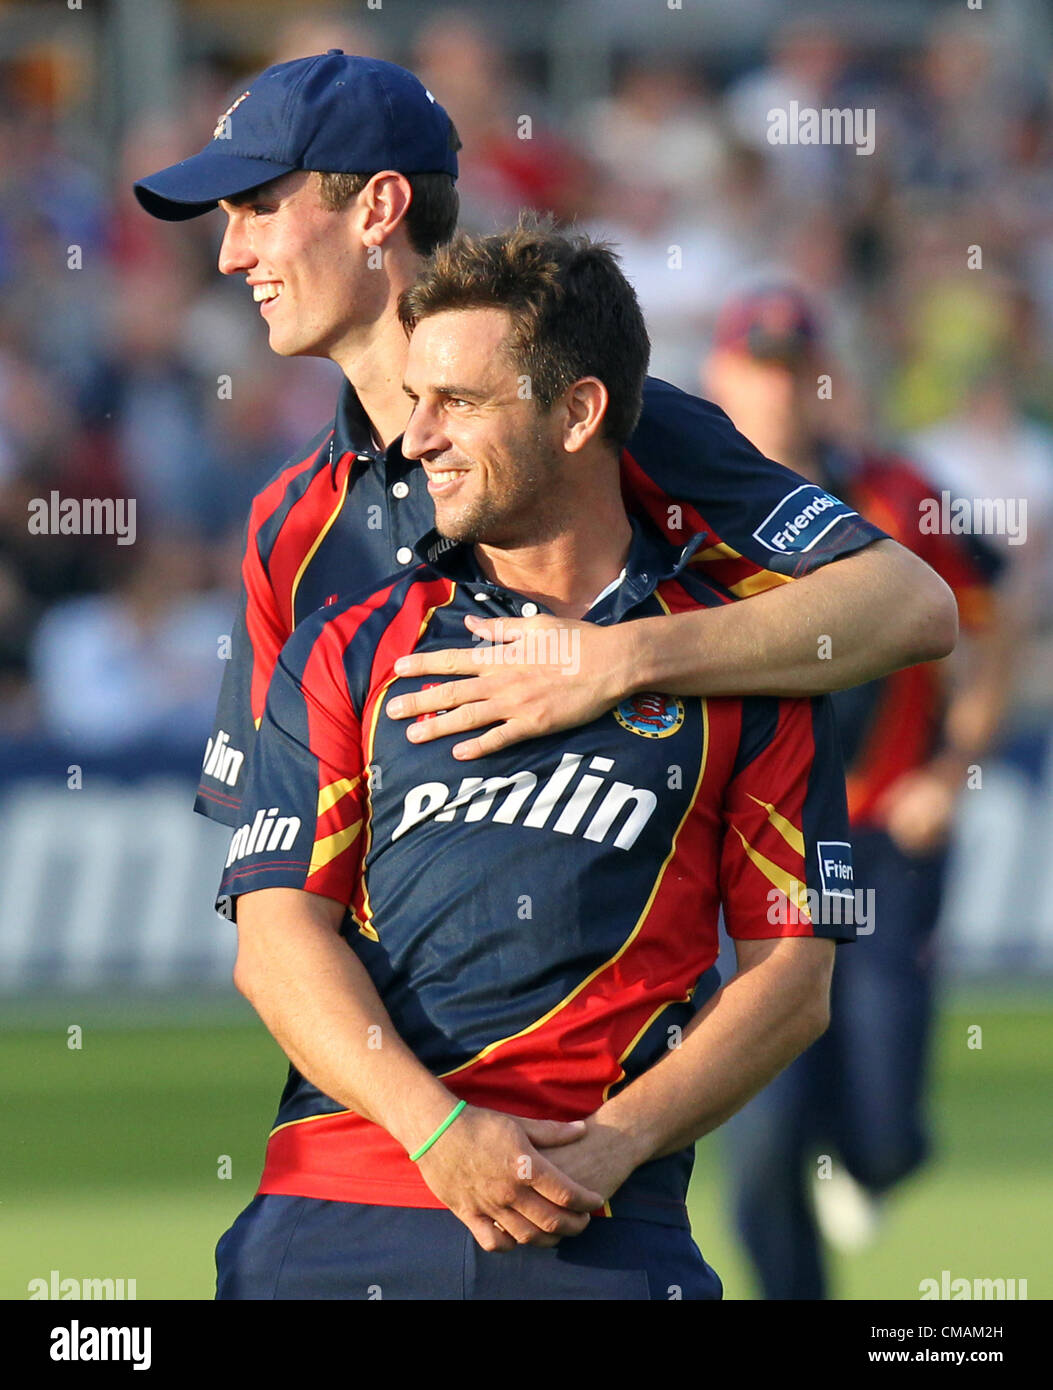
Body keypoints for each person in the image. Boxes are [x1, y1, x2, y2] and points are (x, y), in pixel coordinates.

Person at [213, 222, 858, 1299]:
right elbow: (274, 943)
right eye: (416, 399)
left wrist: (617, 1141)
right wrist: (441, 1131)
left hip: (602, 1218)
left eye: (457, 402)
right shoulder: (352, 645)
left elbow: (794, 978)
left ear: (578, 412)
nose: (416, 438)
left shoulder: (745, 667)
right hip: (340, 1208)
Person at [131, 50, 958, 836]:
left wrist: (623, 659)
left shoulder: (601, 417)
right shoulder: (290, 522)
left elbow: (906, 606)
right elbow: (275, 902)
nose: (232, 253)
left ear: (378, 210)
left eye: (259, 208)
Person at [704, 285, 1012, 1299]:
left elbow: (992, 619)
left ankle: (867, 1156)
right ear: (720, 377)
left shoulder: (893, 493)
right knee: (762, 1143)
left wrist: (948, 768)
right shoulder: (681, 509)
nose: (781, 391)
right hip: (744, 856)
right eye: (761, 366)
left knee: (882, 1128)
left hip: (881, 835)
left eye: (796, 370)